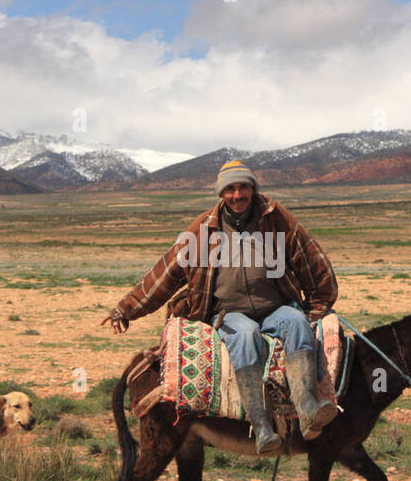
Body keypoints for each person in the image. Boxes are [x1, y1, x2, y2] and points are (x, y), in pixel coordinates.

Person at [102, 160, 339, 454]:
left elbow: (312, 258)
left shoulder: (275, 218)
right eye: (230, 189)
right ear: (221, 193)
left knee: (298, 322)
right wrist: (126, 309)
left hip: (275, 307)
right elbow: (166, 272)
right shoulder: (204, 229)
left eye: (243, 188)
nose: (237, 195)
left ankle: (307, 413)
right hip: (230, 312)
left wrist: (319, 305)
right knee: (246, 335)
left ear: (253, 189)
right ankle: (262, 427)